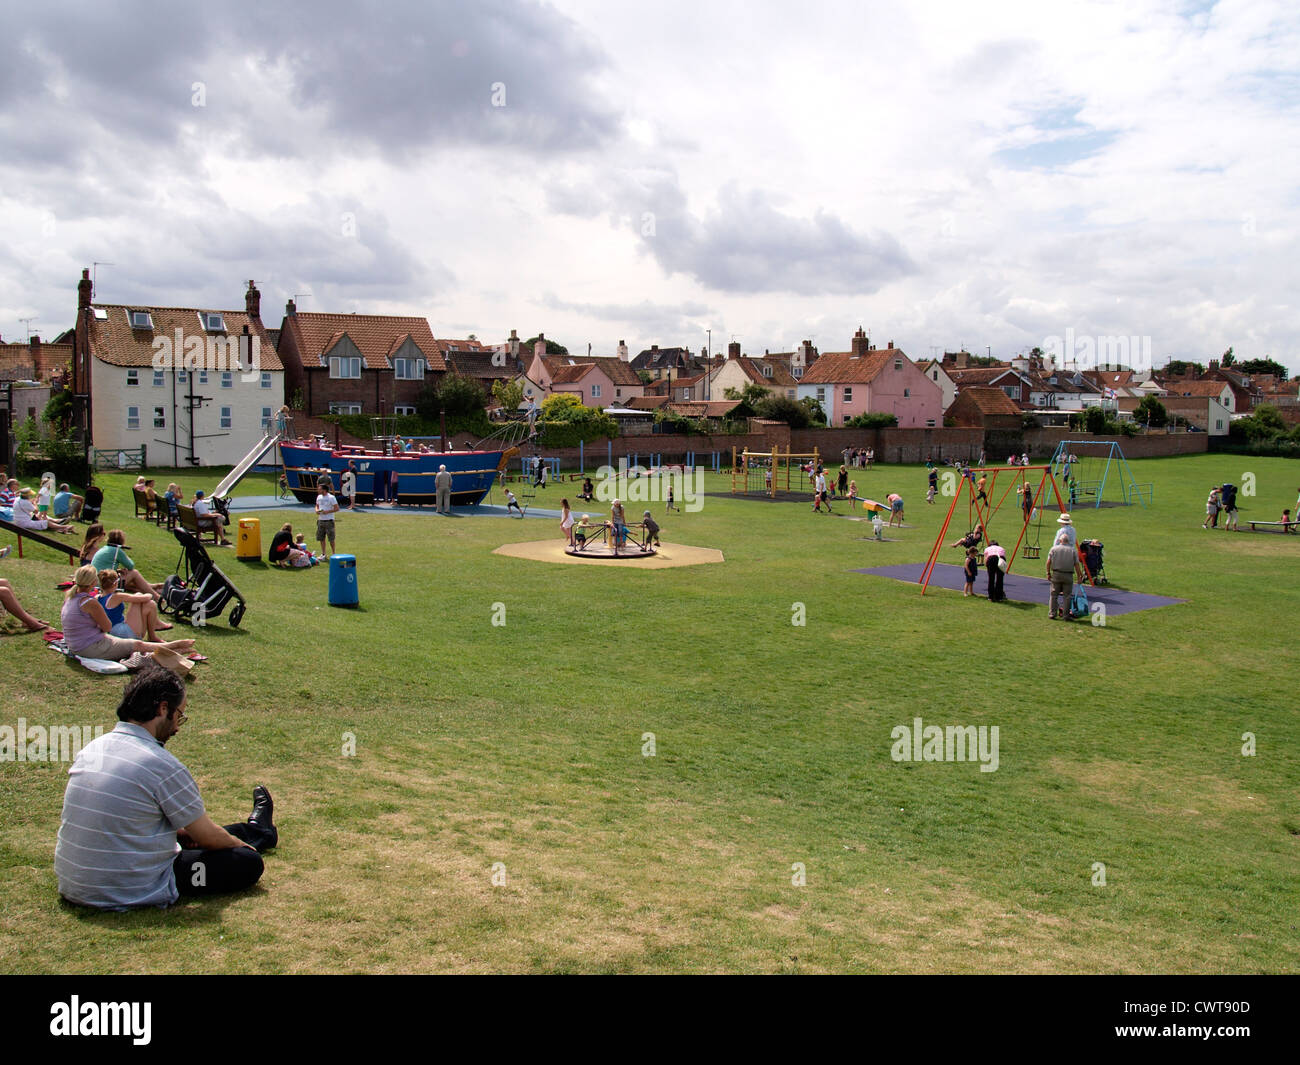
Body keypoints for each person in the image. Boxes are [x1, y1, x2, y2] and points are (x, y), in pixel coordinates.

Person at [55, 664, 278, 910]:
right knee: (246, 862)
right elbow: (208, 837)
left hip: (75, 883)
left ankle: (258, 829)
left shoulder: (93, 748)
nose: (178, 727)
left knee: (190, 835)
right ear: (163, 709)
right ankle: (257, 835)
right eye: (179, 715)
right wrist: (242, 847)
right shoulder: (160, 763)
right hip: (134, 886)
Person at [60, 566, 194, 662]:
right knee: (137, 645)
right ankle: (174, 646)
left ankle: (173, 647)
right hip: (89, 646)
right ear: (93, 582)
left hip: (79, 643)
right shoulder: (89, 602)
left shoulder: (70, 597)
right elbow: (106, 627)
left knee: (136, 644)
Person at [91, 529, 165, 603]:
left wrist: (117, 570)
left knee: (128, 583)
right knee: (134, 573)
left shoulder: (104, 548)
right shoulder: (117, 551)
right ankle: (156, 596)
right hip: (105, 583)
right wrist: (124, 553)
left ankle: (153, 588)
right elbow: (131, 566)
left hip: (96, 582)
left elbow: (105, 567)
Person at [97, 569, 168, 642]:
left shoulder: (98, 597)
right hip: (123, 632)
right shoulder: (116, 596)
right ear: (115, 584)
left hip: (113, 631)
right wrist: (150, 593)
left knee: (150, 605)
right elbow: (144, 598)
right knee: (139, 595)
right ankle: (154, 631)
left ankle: (152, 637)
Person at [1046, 530, 1086, 620]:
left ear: (1060, 541)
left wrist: (1048, 573)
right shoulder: (1073, 550)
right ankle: (1066, 615)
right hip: (1068, 575)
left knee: (1054, 595)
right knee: (1067, 596)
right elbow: (1076, 565)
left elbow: (1048, 562)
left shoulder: (1054, 549)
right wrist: (1080, 576)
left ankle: (1052, 614)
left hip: (1056, 574)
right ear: (1068, 541)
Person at [315, 482, 339, 557]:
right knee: (321, 538)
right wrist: (316, 510)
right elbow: (317, 506)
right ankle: (323, 554)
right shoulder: (319, 497)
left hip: (329, 520)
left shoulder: (331, 497)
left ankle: (333, 553)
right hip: (320, 520)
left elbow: (337, 508)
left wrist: (327, 512)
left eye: (319, 489)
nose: (318, 490)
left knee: (331, 538)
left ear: (324, 490)